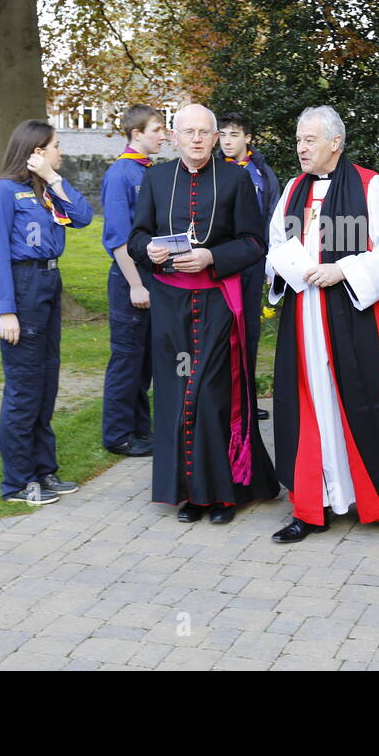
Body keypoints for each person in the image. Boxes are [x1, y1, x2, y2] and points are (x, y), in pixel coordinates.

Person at [267, 105, 379, 543]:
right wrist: (289, 267)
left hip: (353, 319)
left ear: (335, 143)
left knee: (356, 404)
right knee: (312, 405)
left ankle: (372, 498)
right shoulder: (292, 189)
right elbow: (275, 244)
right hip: (306, 319)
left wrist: (343, 270)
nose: (301, 148)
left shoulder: (372, 186)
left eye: (309, 140)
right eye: (297, 140)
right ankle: (315, 504)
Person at [128, 103, 279, 524]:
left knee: (213, 395)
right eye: (187, 132)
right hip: (170, 304)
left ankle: (224, 494)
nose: (196, 139)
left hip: (217, 303)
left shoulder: (235, 179)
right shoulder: (155, 179)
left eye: (204, 132)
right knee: (177, 394)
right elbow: (136, 236)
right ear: (174, 137)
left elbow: (253, 243)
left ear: (216, 139)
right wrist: (150, 251)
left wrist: (212, 255)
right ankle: (190, 494)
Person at [0, 119, 94, 505]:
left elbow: (83, 217)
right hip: (23, 286)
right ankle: (17, 482)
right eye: (55, 146)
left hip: (49, 284)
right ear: (36, 150)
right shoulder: (3, 191)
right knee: (24, 388)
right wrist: (5, 311)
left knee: (46, 384)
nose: (60, 152)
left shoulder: (47, 189)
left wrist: (54, 179)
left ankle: (44, 471)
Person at [99, 105, 166, 457]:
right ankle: (118, 435)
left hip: (151, 277)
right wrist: (136, 285)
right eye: (156, 129)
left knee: (145, 361)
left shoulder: (148, 170)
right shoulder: (121, 174)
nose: (163, 135)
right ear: (136, 133)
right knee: (126, 358)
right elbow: (117, 238)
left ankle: (140, 430)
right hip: (131, 279)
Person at [217, 111, 281, 422]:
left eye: (234, 135)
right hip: (221, 262)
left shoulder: (262, 173)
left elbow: (273, 218)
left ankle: (247, 400)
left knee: (249, 333)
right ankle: (222, 402)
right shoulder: (214, 170)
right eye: (223, 135)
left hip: (253, 263)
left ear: (248, 139)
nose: (227, 141)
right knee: (221, 331)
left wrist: (271, 261)